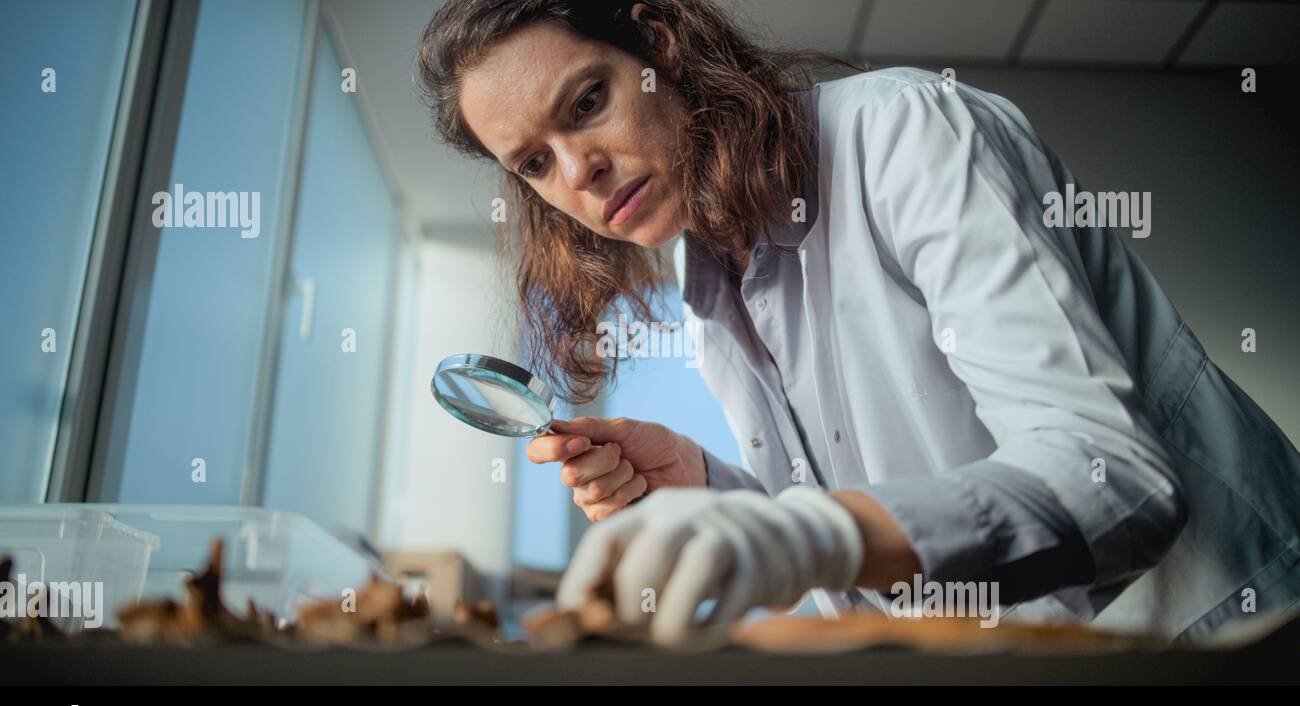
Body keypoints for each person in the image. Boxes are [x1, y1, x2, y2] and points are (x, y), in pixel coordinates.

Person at [418, 0, 1300, 646]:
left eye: (586, 103)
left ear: (662, 42)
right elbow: (879, 525)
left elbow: (1114, 479)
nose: (583, 172)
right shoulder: (713, 275)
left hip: (1214, 648)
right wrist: (719, 495)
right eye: (534, 162)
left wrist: (806, 535)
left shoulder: (908, 134)